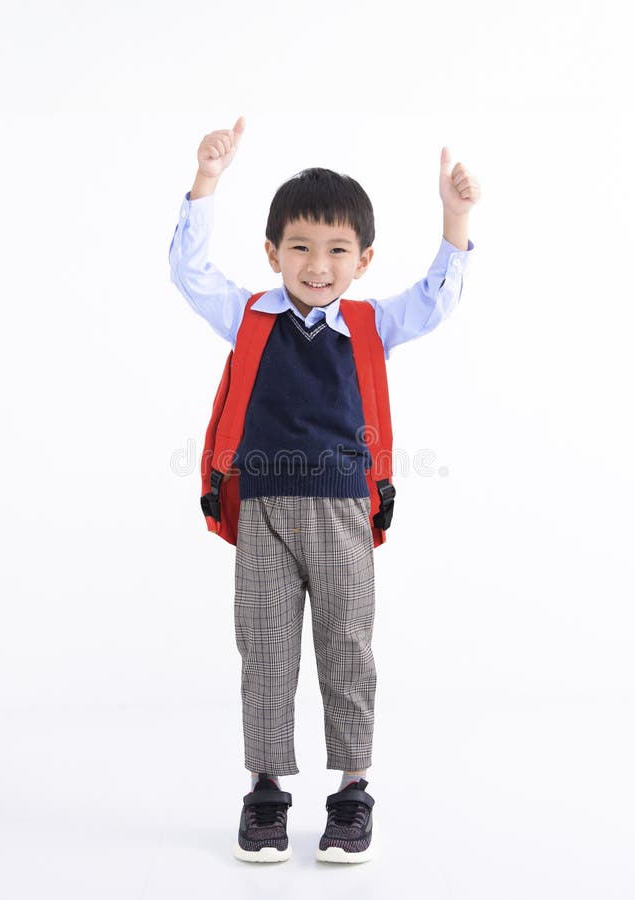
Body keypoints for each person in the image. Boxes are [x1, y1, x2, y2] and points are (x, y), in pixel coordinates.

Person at [169, 116, 480, 864]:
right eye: (300, 247)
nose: (317, 264)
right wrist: (205, 182)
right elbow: (190, 272)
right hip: (264, 514)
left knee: (347, 651)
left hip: (343, 509)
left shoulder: (373, 324)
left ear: (363, 259)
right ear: (272, 252)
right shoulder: (248, 316)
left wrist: (455, 218)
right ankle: (266, 792)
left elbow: (437, 298)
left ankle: (351, 793)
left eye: (337, 250)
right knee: (266, 652)